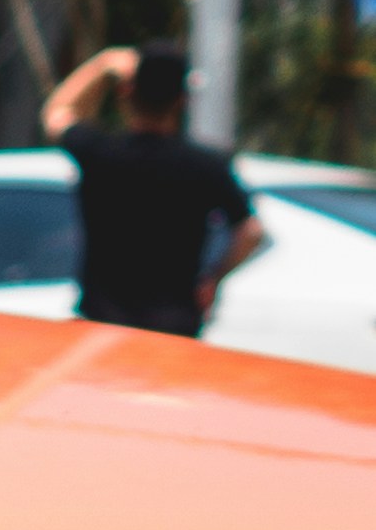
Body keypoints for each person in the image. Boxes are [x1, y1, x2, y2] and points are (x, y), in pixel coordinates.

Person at [38, 42, 264, 338]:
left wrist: (104, 65)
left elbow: (57, 112)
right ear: (183, 100)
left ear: (127, 92)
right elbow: (250, 231)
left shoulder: (100, 153)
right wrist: (213, 278)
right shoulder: (206, 166)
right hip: (172, 334)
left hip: (101, 332)